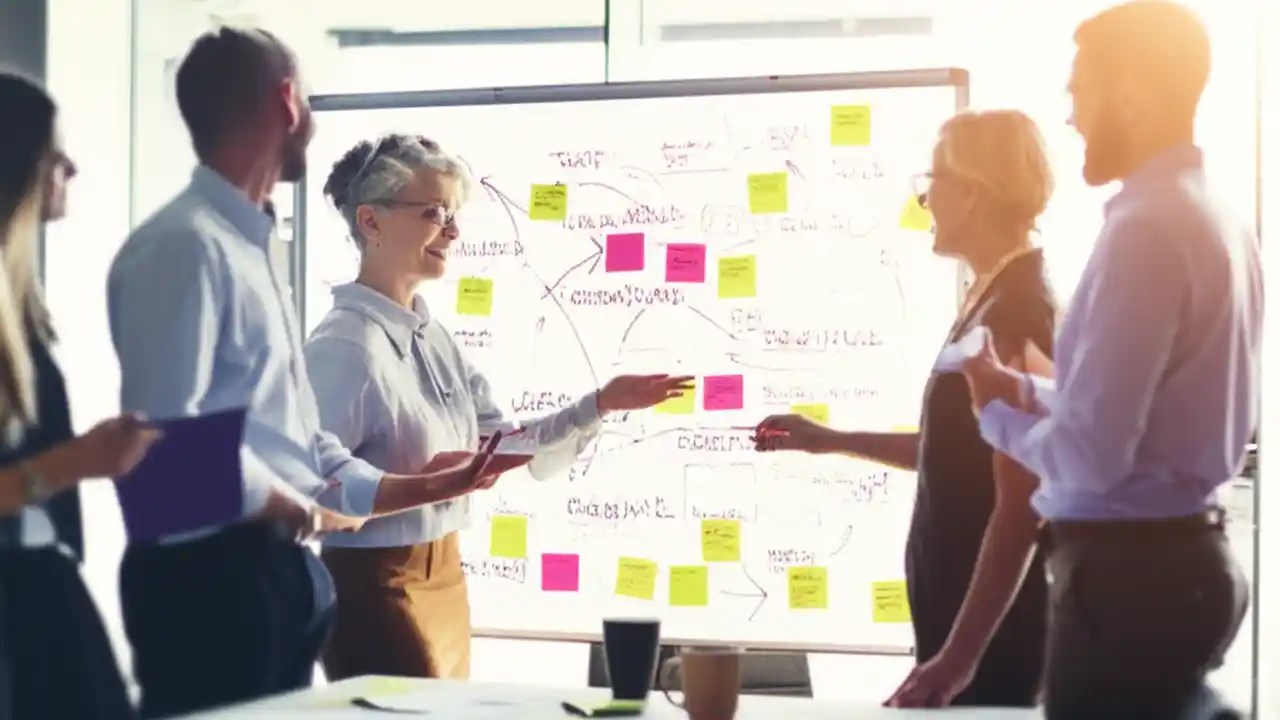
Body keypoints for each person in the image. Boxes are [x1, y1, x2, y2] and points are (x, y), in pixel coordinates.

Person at [106, 29, 496, 718]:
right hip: (215, 587)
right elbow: (160, 454)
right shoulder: (185, 248)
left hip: (271, 579)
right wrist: (289, 504)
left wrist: (386, 491)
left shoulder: (250, 247)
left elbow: (295, 432)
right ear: (287, 102)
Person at [304, 133, 694, 680]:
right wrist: (430, 484)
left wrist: (600, 404)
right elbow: (309, 493)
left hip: (445, 574)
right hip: (375, 583)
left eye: (454, 213)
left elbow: (500, 447)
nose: (453, 230)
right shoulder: (342, 348)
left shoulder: (431, 335)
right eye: (434, 212)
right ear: (371, 222)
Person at [963, 2, 1259, 718]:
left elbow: (1094, 457)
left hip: (1128, 582)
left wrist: (995, 414)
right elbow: (1150, 412)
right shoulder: (1214, 216)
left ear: (1129, 91)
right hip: (1181, 564)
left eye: (1080, 91)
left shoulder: (1144, 232)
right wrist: (1031, 395)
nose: (1072, 118)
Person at [755, 110, 1056, 708]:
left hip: (992, 644)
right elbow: (958, 454)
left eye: (933, 183)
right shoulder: (989, 297)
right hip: (960, 628)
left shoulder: (1018, 313)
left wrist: (956, 661)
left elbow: (1022, 502)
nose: (924, 202)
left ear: (972, 192)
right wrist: (829, 438)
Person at [0, 72, 162, 719]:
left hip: (39, 607)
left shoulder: (23, 310)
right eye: (53, 152)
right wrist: (79, 461)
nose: (69, 166)